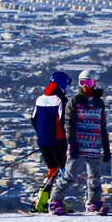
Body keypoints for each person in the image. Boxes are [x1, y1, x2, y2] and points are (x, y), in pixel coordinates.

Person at [49, 69, 110, 216]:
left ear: (95, 84)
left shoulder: (99, 103)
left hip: (94, 145)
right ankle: (55, 202)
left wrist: (106, 147)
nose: (84, 86)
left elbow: (102, 125)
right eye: (82, 82)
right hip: (78, 144)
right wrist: (71, 142)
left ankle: (93, 203)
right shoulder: (75, 101)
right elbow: (68, 122)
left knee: (94, 176)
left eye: (87, 82)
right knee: (69, 175)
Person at [29, 71, 71, 213]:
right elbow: (64, 121)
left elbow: (34, 120)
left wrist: (43, 135)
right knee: (62, 172)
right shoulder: (60, 100)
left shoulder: (39, 99)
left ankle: (41, 201)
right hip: (58, 141)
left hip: (43, 141)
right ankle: (56, 202)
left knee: (52, 170)